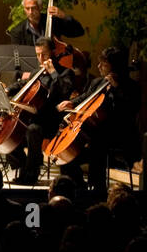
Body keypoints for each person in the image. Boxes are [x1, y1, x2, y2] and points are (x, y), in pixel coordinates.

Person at [57, 48, 140, 199]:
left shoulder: (131, 87)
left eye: (104, 64)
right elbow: (86, 97)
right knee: (67, 147)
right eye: (99, 63)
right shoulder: (98, 82)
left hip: (119, 135)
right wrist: (71, 103)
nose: (99, 67)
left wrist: (116, 89)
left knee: (97, 145)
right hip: (95, 132)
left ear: (115, 67)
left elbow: (128, 112)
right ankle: (78, 186)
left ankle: (97, 191)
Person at [5, 36, 77, 186]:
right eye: (37, 54)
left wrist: (53, 74)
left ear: (52, 52)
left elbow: (64, 92)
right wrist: (8, 90)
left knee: (33, 130)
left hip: (51, 121)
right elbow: (24, 83)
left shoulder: (65, 73)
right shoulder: (36, 72)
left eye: (44, 54)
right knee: (7, 130)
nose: (40, 58)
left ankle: (31, 174)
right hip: (33, 117)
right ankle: (24, 166)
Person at [7, 0, 84, 47]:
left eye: (33, 8)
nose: (30, 12)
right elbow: (18, 58)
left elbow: (79, 32)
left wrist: (64, 16)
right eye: (27, 8)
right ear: (24, 9)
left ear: (40, 7)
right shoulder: (17, 32)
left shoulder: (53, 21)